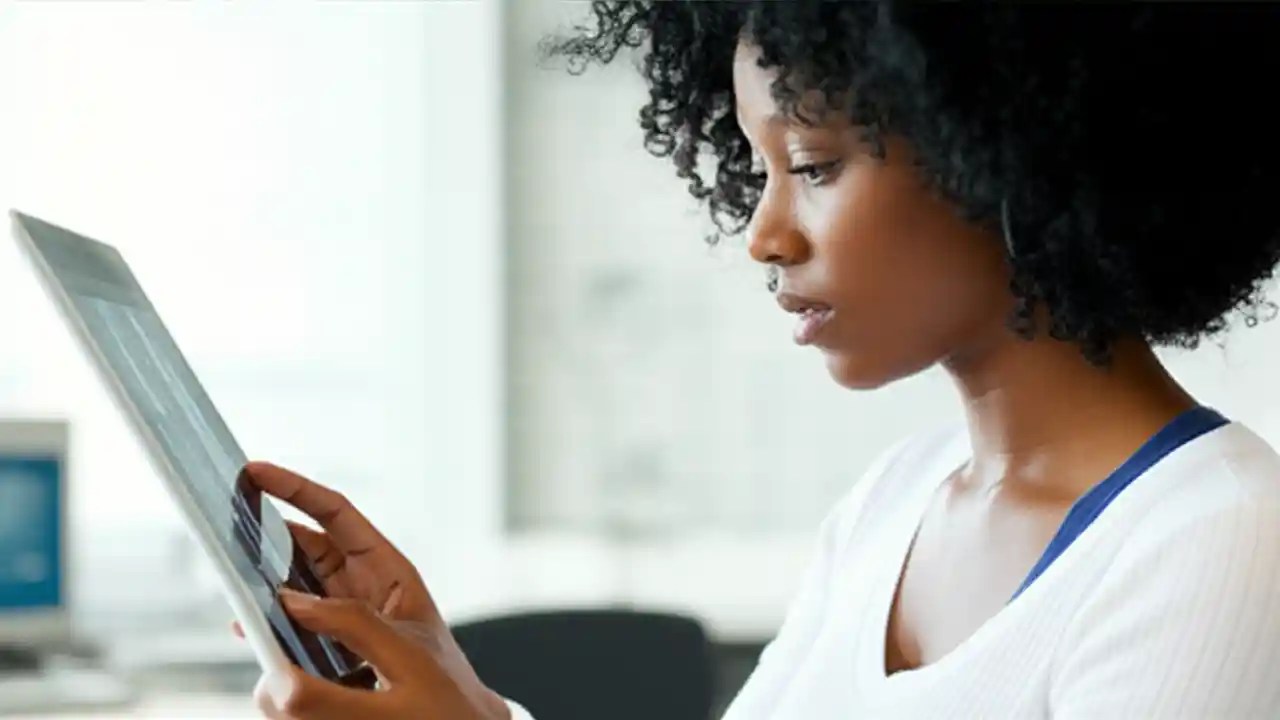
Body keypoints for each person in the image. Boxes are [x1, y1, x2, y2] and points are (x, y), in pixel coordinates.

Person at [246, 3, 1280, 718]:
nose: (763, 233)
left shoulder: (1219, 543)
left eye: (814, 166)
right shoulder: (895, 502)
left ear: (1006, 150)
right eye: (754, 168)